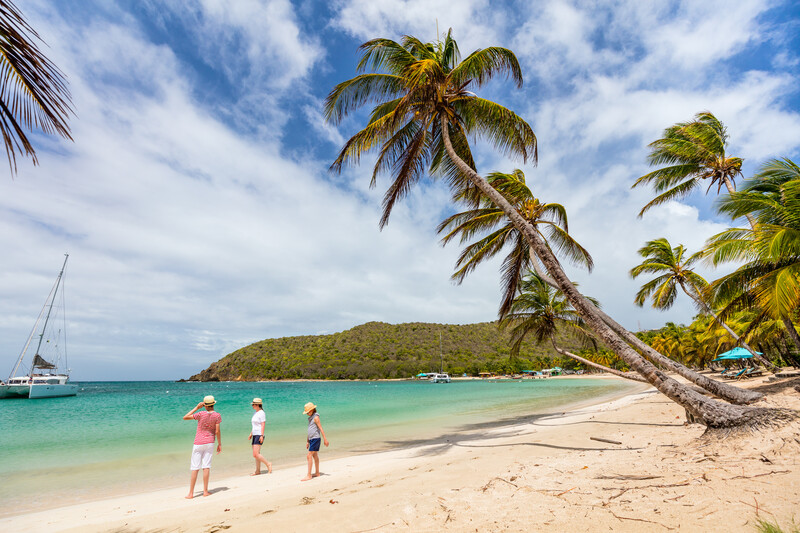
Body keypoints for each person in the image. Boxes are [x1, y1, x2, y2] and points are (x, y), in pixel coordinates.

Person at [183, 395, 222, 498]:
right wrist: (219, 443)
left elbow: (185, 417)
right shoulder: (217, 415)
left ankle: (191, 493)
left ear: (205, 405)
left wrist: (196, 408)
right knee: (206, 467)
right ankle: (205, 491)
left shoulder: (200, 414)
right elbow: (217, 431)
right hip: (210, 442)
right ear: (213, 404)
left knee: (195, 468)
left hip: (198, 443)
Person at [301, 402, 329, 481]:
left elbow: (320, 428)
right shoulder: (310, 418)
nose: (307, 414)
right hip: (312, 439)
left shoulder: (316, 417)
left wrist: (325, 439)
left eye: (308, 412)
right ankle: (317, 473)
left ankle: (309, 475)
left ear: (312, 410)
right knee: (314, 455)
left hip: (316, 438)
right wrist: (307, 441)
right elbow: (309, 430)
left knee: (309, 456)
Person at [248, 397, 272, 475]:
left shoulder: (261, 413)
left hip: (259, 434)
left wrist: (261, 435)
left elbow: (263, 424)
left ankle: (268, 464)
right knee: (256, 454)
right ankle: (258, 471)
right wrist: (251, 433)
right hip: (255, 434)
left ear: (258, 405)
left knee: (255, 454)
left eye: (253, 404)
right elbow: (255, 425)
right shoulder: (255, 413)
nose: (252, 406)